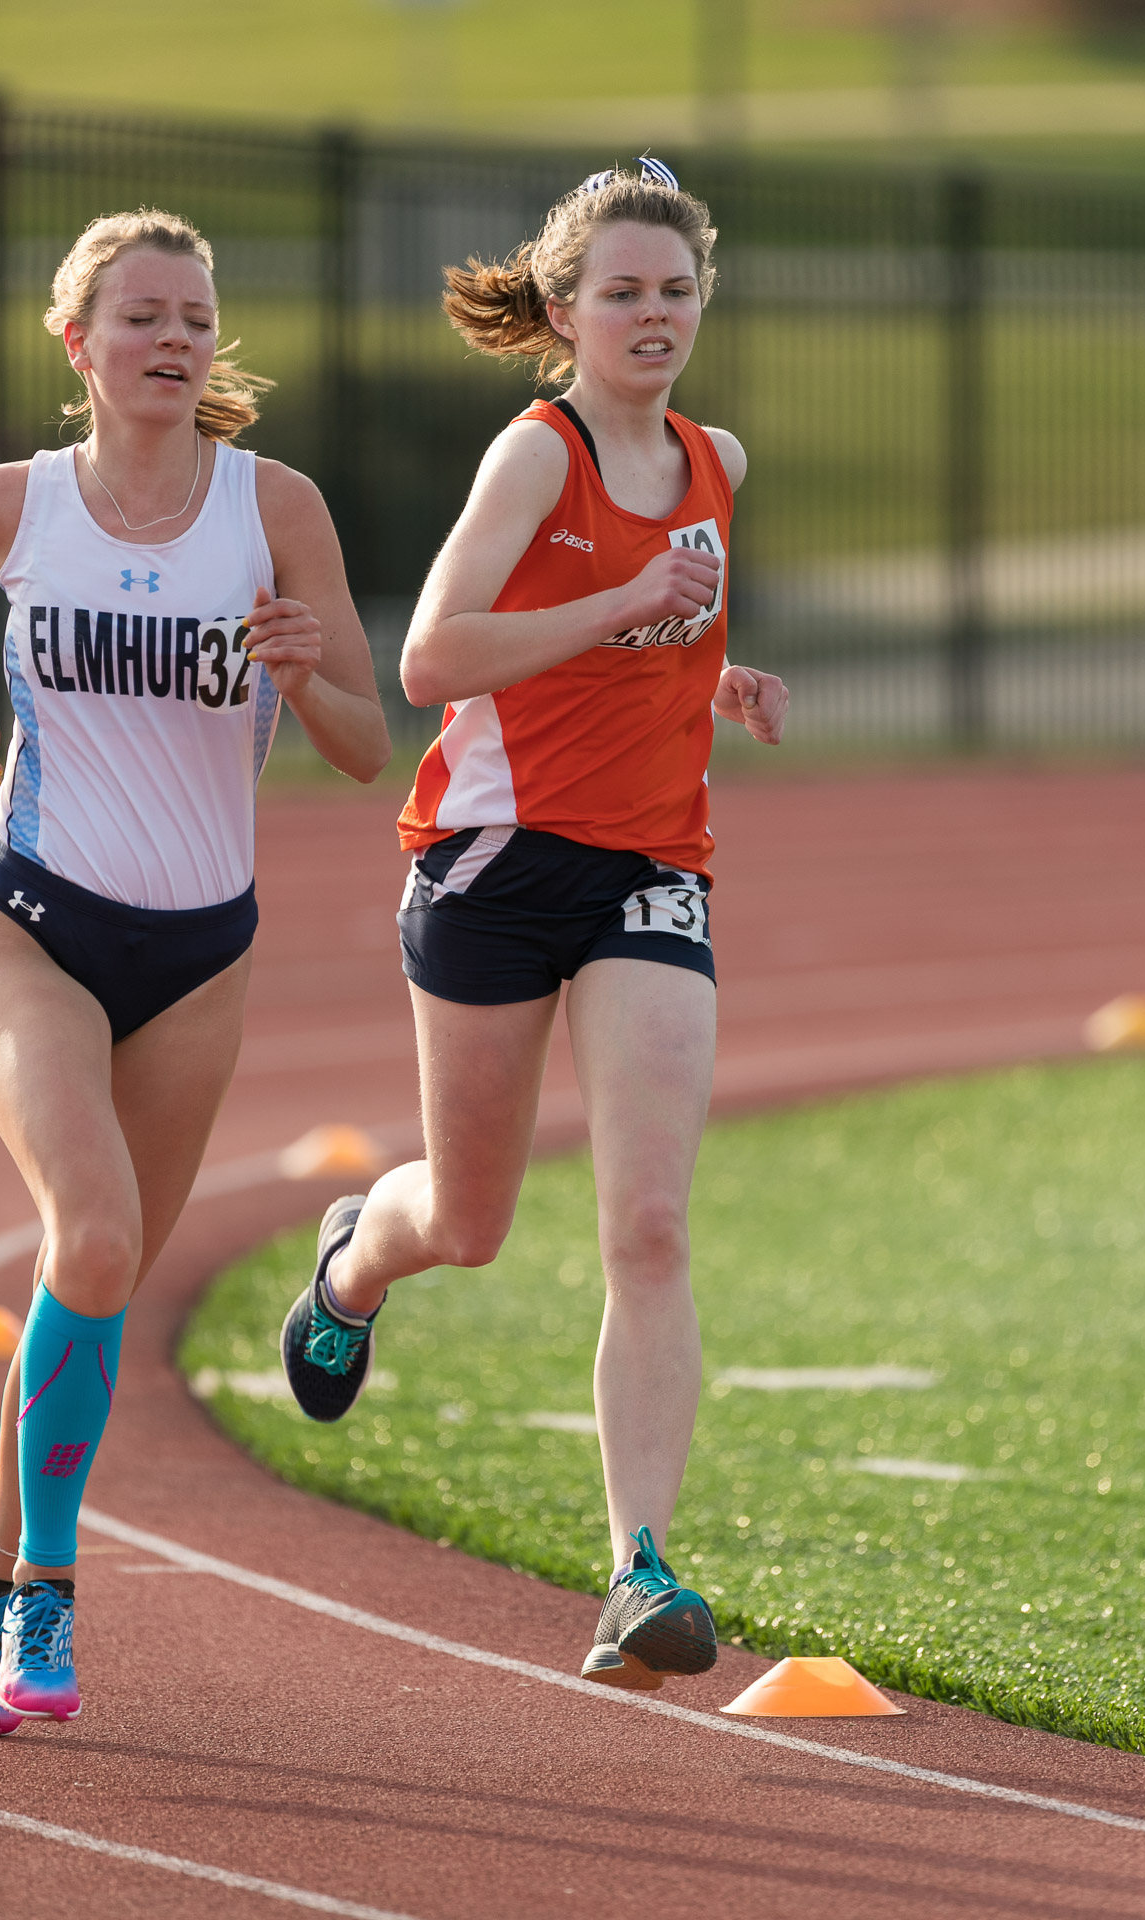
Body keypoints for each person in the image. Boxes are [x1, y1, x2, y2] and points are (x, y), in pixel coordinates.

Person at [280, 158, 787, 1689]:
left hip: (652, 865)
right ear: (565, 311)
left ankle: (639, 1566)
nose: (653, 313)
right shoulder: (533, 455)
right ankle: (355, 1261)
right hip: (493, 861)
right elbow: (434, 656)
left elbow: (673, 608)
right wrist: (625, 608)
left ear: (703, 304)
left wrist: (713, 668)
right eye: (623, 291)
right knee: (477, 1223)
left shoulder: (717, 457)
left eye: (676, 290)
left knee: (647, 1220)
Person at [0, 209, 390, 1733]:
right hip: (28, 926)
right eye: (142, 316)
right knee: (87, 1237)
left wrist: (305, 670)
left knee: (93, 1279)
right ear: (75, 341)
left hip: (202, 955)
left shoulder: (273, 507)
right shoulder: (23, 507)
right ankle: (44, 1593)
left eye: (196, 320)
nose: (172, 341)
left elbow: (366, 750)